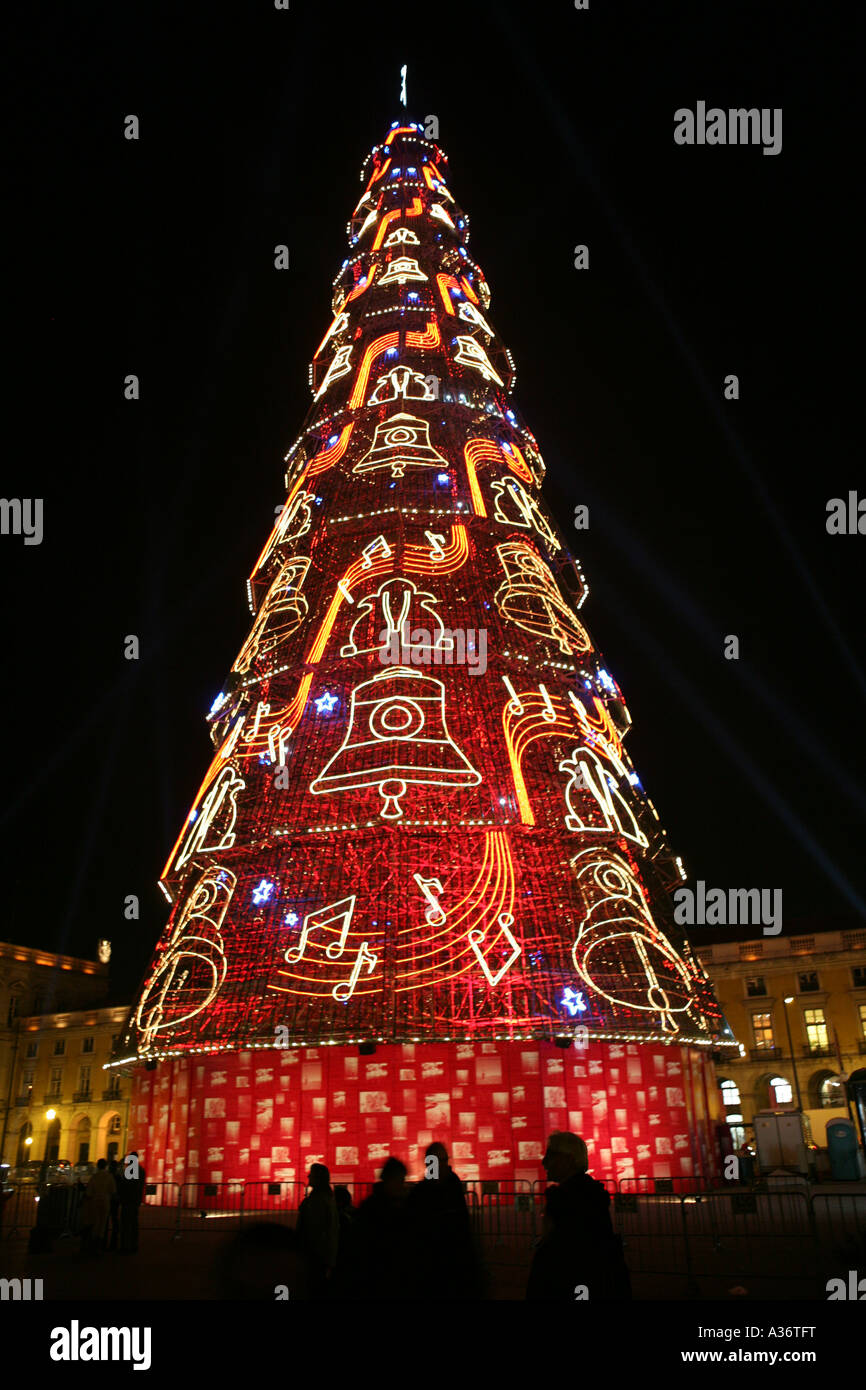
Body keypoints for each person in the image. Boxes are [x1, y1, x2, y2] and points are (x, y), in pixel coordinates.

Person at [526, 1131, 631, 1301]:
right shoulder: (590, 1194)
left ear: (568, 1159)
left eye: (551, 1155)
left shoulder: (566, 1199)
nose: (544, 1162)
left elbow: (564, 1255)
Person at [406, 1141, 481, 1298]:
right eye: (436, 1160)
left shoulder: (451, 1185)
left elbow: (461, 1224)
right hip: (432, 1261)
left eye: (443, 1160)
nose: (440, 1165)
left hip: (451, 1260)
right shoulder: (424, 1190)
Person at [340, 1157, 413, 1299]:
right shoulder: (382, 1207)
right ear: (390, 1179)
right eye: (400, 1180)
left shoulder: (373, 1205)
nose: (402, 1185)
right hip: (379, 1276)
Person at [295, 1163, 339, 1296]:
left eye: (311, 1174)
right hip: (321, 1254)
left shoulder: (318, 1200)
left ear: (318, 1178)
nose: (308, 1176)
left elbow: (314, 1230)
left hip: (315, 1254)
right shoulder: (325, 1198)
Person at [80, 1159, 116, 1255]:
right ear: (106, 1166)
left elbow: (89, 1192)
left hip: (95, 1202)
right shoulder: (109, 1177)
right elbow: (113, 1191)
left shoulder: (94, 1177)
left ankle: (93, 1247)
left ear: (98, 1166)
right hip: (105, 1202)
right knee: (102, 1224)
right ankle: (99, 1246)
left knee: (95, 1223)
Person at [117, 1151, 146, 1253]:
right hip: (135, 1200)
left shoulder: (131, 1170)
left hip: (128, 1200)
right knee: (133, 1223)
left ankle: (125, 1246)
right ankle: (133, 1245)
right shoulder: (141, 1170)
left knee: (126, 1224)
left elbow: (126, 1185)